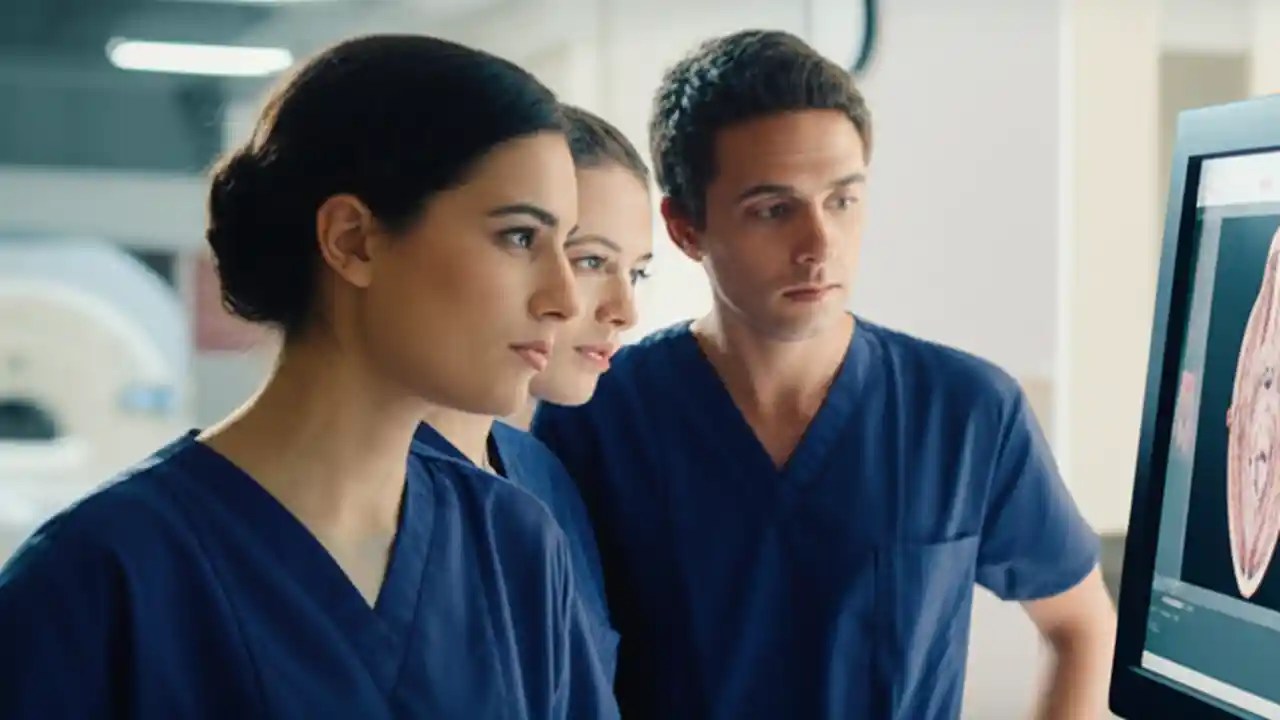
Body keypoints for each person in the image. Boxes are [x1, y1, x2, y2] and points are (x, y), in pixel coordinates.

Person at [0, 35, 619, 720]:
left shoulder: (514, 548)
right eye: (520, 238)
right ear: (353, 240)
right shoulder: (103, 579)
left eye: (566, 247)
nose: (564, 297)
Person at [532, 30, 1118, 719]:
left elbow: (1080, 627)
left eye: (842, 200)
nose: (819, 247)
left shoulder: (964, 412)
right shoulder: (598, 417)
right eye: (774, 211)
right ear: (686, 227)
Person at [416, 104, 654, 684]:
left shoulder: (542, 476)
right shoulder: (381, 489)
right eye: (591, 261)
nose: (623, 311)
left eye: (638, 272)